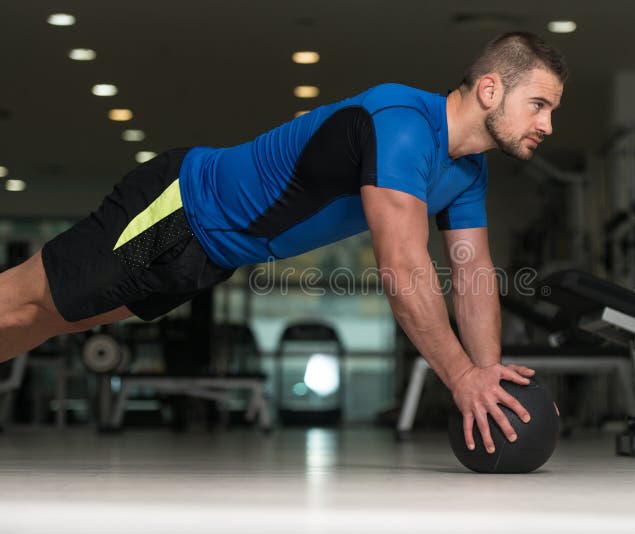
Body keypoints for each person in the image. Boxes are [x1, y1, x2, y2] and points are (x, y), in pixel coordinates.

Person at [0, 31, 566, 453]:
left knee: (58, 319)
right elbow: (402, 267)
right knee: (27, 298)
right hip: (179, 209)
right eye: (538, 105)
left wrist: (488, 380)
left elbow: (471, 271)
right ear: (490, 89)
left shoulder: (468, 174)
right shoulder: (401, 123)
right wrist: (461, 377)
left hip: (213, 257)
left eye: (552, 112)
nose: (546, 125)